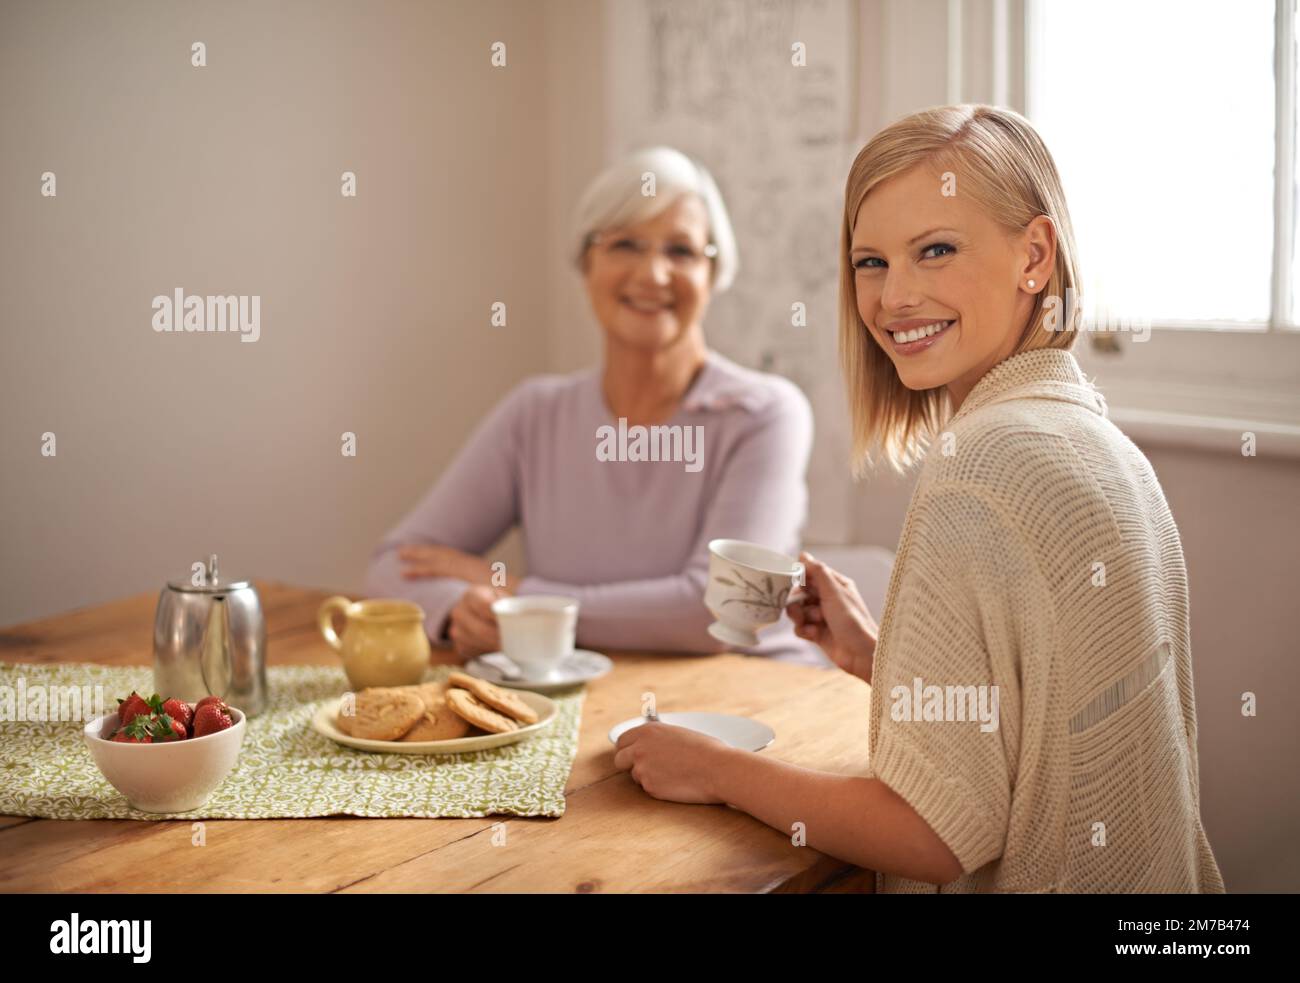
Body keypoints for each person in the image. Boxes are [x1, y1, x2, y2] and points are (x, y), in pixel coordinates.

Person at [614, 105, 1225, 892]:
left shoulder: (981, 468)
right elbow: (1038, 725)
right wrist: (880, 656)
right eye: (871, 262)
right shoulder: (1102, 447)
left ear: (1034, 254)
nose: (894, 297)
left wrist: (718, 769)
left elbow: (936, 834)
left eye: (935, 250)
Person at [366, 146, 825, 666]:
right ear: (586, 263)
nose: (652, 274)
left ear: (713, 273)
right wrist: (457, 609)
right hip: (582, 700)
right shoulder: (535, 414)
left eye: (680, 251)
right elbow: (392, 566)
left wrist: (525, 602)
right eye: (625, 244)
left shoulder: (765, 414)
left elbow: (724, 612)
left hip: (753, 709)